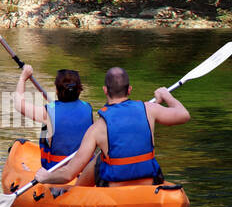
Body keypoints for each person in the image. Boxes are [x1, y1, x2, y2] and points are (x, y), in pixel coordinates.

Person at [34, 66, 189, 187]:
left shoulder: (97, 128)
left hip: (114, 186)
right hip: (150, 182)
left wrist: (46, 177)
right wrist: (166, 95)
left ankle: (77, 191)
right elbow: (183, 114)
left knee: (98, 159)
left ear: (105, 90)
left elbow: (68, 174)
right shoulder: (150, 109)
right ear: (129, 89)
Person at [16, 65, 96, 185]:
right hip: (85, 175)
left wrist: (23, 78)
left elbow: (19, 105)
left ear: (57, 91)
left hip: (54, 175)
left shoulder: (48, 112)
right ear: (79, 90)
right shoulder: (88, 108)